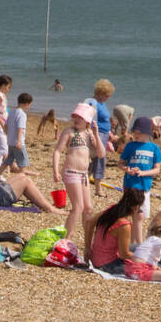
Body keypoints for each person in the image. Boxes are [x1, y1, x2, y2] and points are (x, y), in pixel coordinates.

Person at [52, 102, 106, 249]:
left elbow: (101, 154)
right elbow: (58, 151)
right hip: (71, 172)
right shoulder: (69, 131)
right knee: (78, 207)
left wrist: (96, 134)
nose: (76, 119)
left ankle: (88, 242)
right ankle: (65, 240)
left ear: (87, 120)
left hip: (83, 175)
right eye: (75, 116)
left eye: (80, 117)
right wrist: (56, 171)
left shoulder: (89, 134)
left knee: (88, 208)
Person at [84, 189, 159, 277]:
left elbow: (89, 222)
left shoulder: (111, 210)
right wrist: (144, 260)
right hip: (107, 265)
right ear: (135, 207)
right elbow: (124, 254)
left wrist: (87, 248)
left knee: (141, 247)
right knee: (145, 267)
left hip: (95, 258)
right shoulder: (124, 225)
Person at [119, 116, 161, 226]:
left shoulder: (154, 148)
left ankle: (136, 235)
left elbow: (157, 169)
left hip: (144, 186)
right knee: (127, 214)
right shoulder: (130, 146)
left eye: (139, 132)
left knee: (140, 215)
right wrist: (127, 169)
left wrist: (142, 173)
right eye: (135, 132)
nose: (136, 134)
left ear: (147, 132)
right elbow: (120, 163)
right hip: (130, 185)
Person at [86, 79, 114, 190]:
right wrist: (94, 135)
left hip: (104, 134)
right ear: (101, 93)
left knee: (98, 159)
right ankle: (97, 186)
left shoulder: (102, 103)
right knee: (98, 159)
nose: (108, 97)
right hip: (98, 134)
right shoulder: (92, 102)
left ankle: (88, 181)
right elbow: (90, 120)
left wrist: (109, 132)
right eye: (107, 95)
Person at [0, 92, 33, 177]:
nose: (29, 107)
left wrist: (8, 135)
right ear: (27, 104)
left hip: (10, 141)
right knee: (23, 162)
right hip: (18, 142)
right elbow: (20, 128)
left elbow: (5, 125)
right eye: (30, 104)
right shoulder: (22, 114)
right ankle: (21, 178)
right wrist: (19, 141)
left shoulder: (12, 112)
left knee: (8, 160)